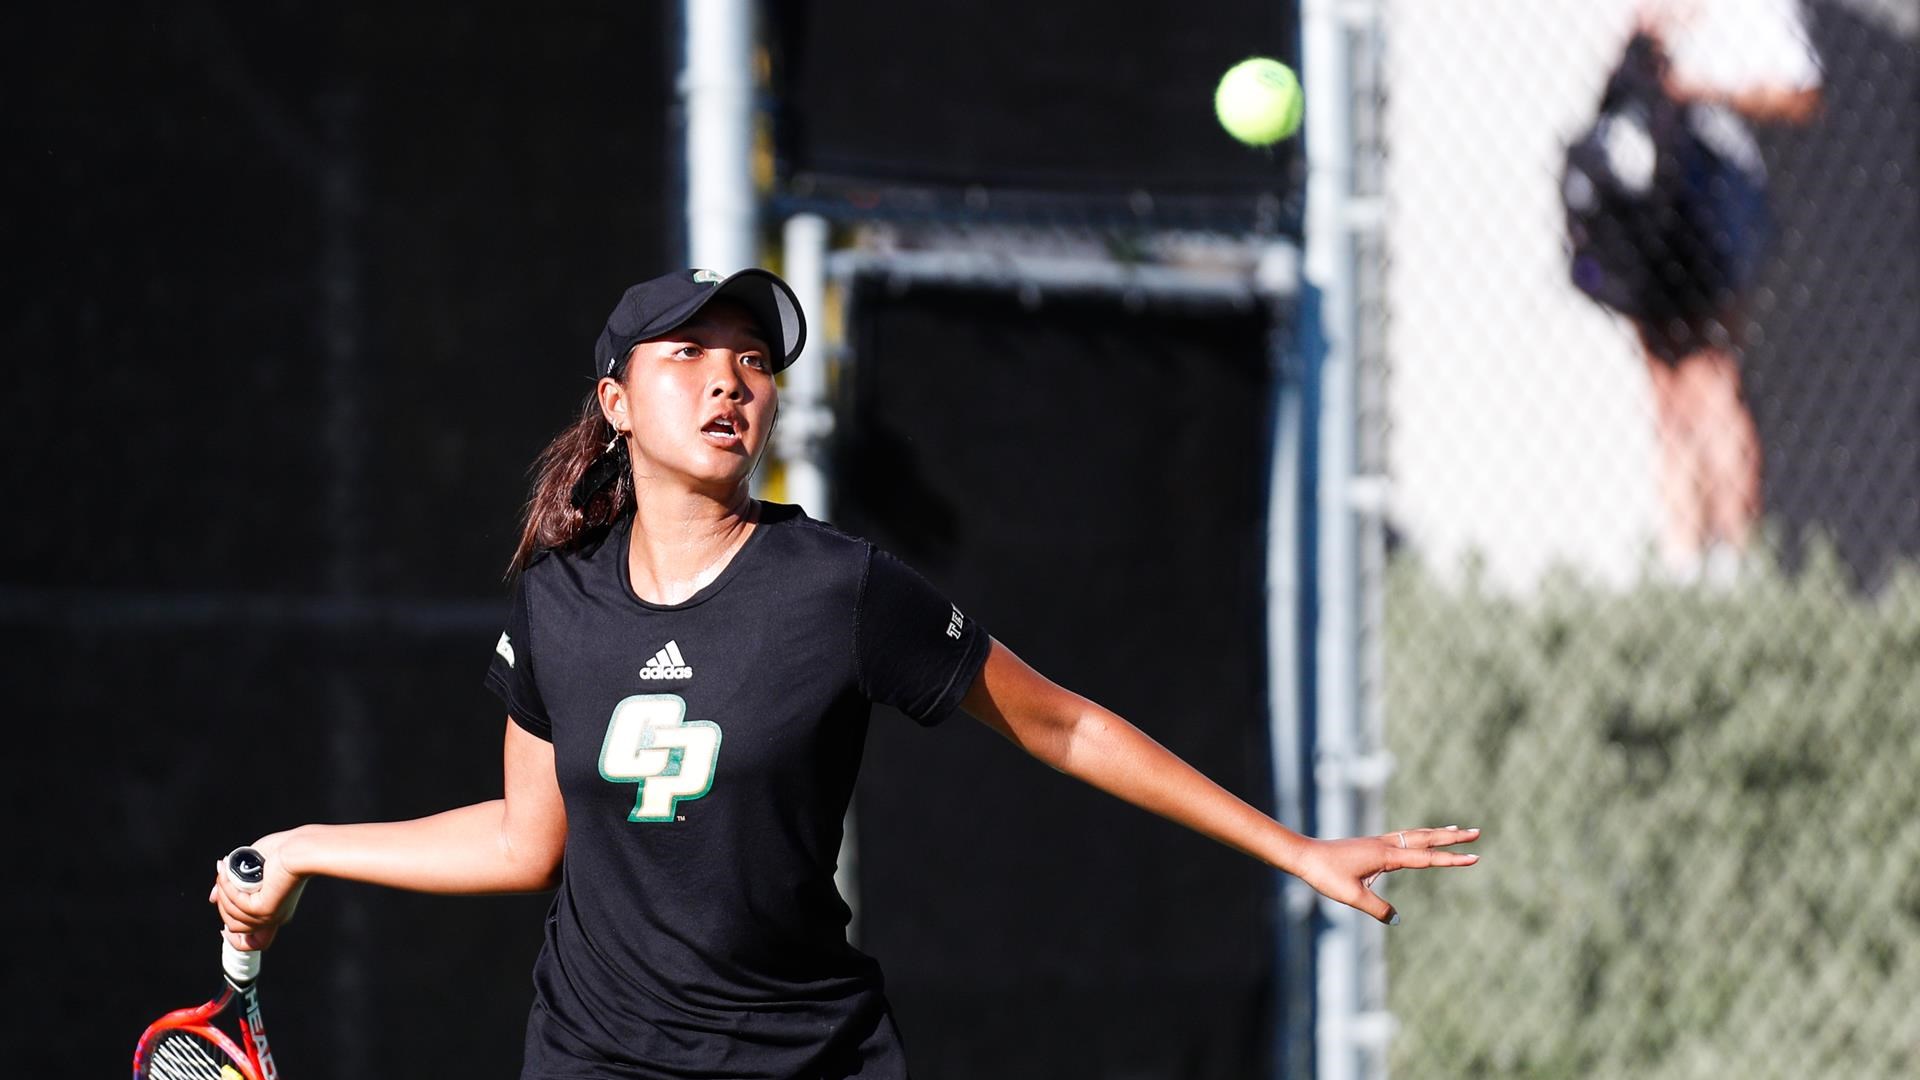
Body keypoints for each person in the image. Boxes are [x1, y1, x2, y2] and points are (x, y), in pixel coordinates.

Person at [210, 267, 1481, 1079]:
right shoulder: (559, 602)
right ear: (614, 400)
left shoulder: (838, 589)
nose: (728, 380)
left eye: (753, 361)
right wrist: (309, 845)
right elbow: (520, 840)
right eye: (686, 356)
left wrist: (1293, 847)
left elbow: (1066, 728)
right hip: (599, 1055)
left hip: (804, 1053)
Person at [1632, 0, 1822, 576]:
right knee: (1669, 393)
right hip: (1653, 207)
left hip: (1718, 209)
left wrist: (1704, 92)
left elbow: (1800, 94)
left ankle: (1733, 565)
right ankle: (1683, 563)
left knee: (1713, 381)